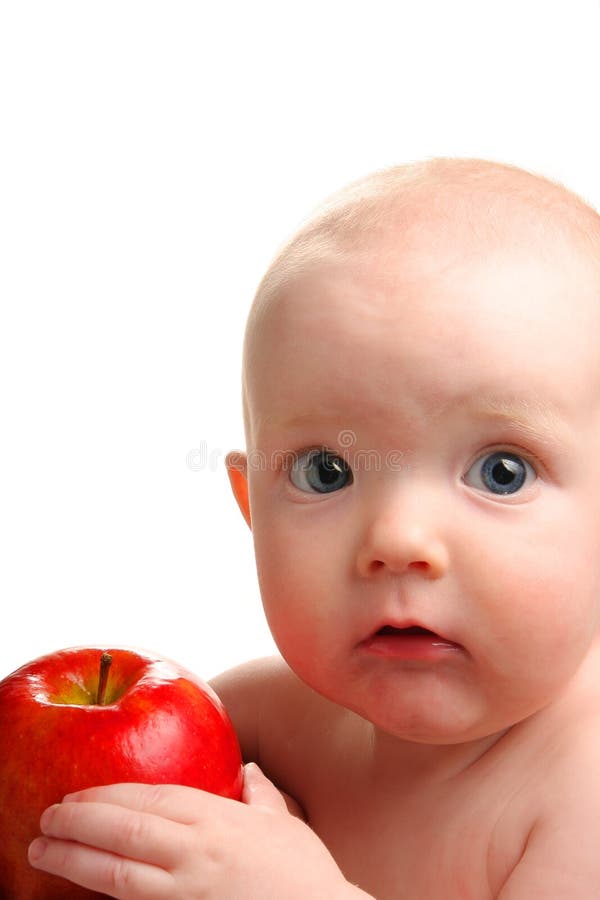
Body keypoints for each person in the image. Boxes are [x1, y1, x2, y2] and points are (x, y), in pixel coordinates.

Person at [28, 158, 600, 898]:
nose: (398, 540)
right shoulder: (258, 724)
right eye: (326, 471)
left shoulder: (580, 799)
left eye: (502, 472)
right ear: (251, 509)